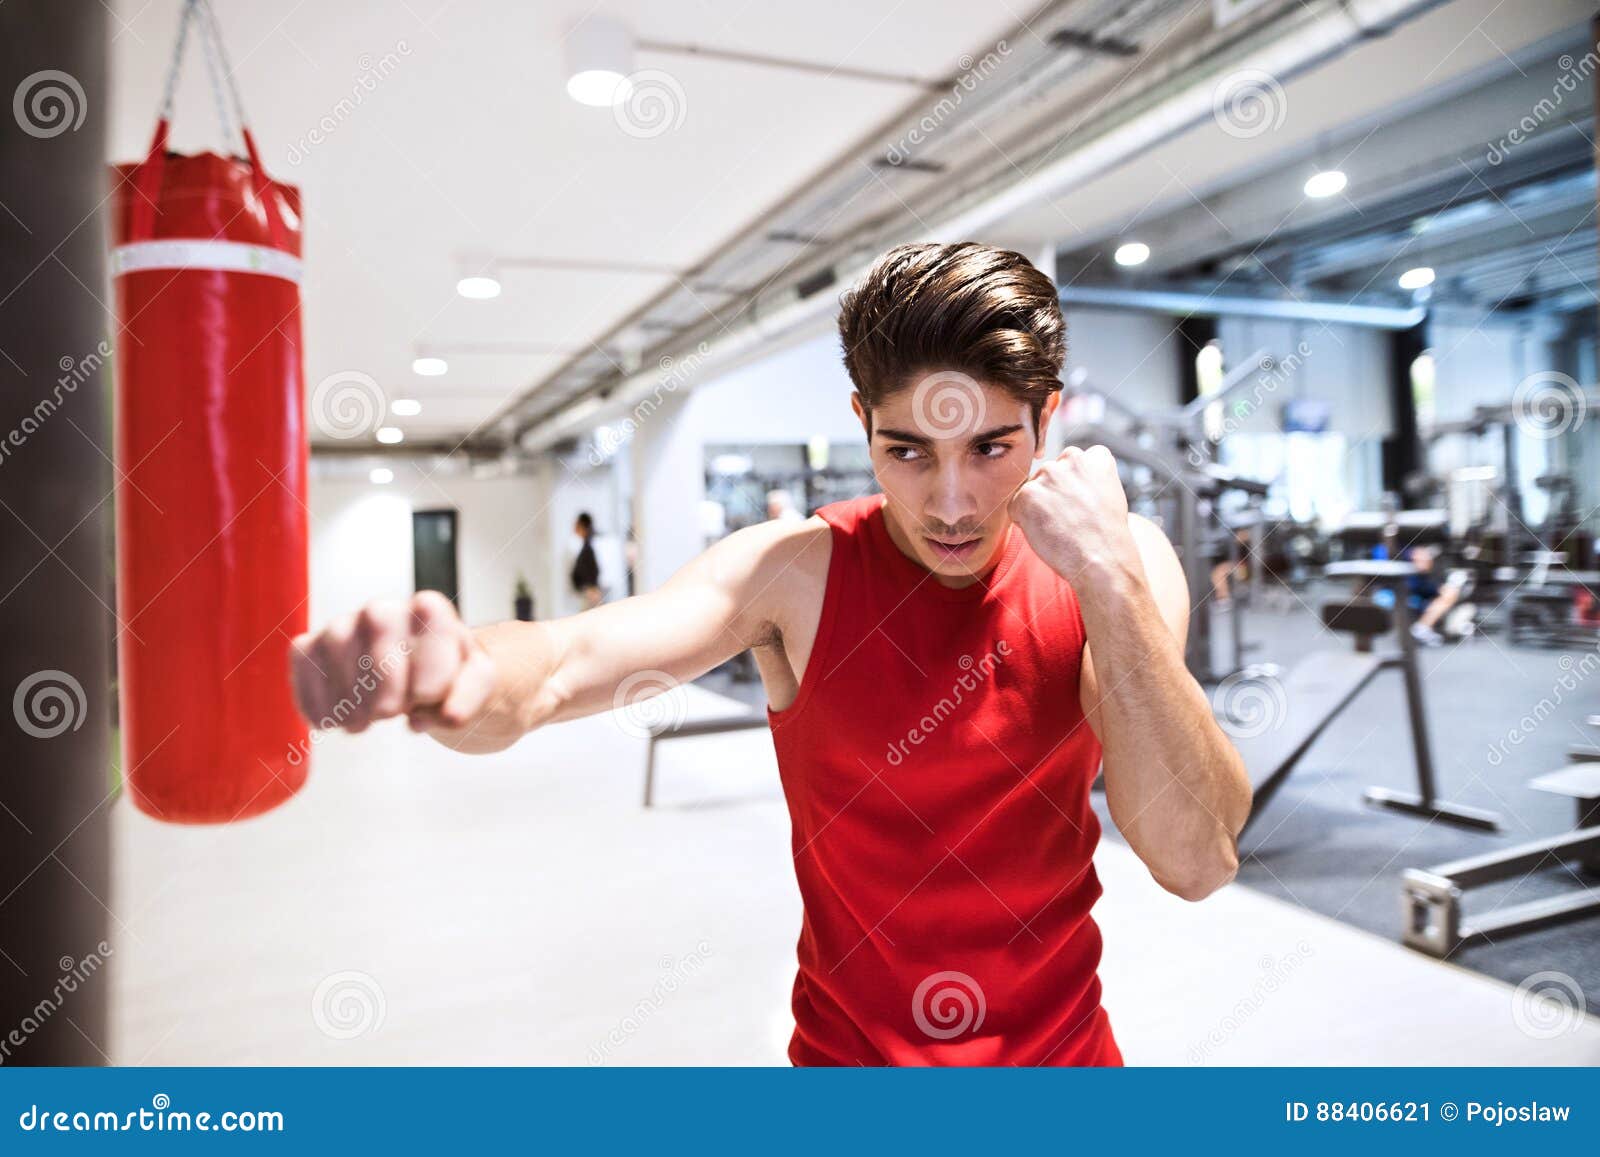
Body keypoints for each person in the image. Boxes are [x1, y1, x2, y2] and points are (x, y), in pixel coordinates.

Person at [289, 242, 1253, 1067]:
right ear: (862, 423)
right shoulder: (795, 575)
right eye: (908, 450)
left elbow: (1196, 858)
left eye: (991, 447)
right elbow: (562, 660)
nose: (951, 500)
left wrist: (1107, 577)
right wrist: (463, 667)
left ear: (1048, 421)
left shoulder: (1121, 573)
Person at [569, 512, 602, 610]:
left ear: (583, 526)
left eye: (576, 524)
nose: (574, 527)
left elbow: (594, 571)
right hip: (587, 594)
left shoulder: (588, 549)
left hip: (590, 595)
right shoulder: (585, 546)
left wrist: (591, 591)